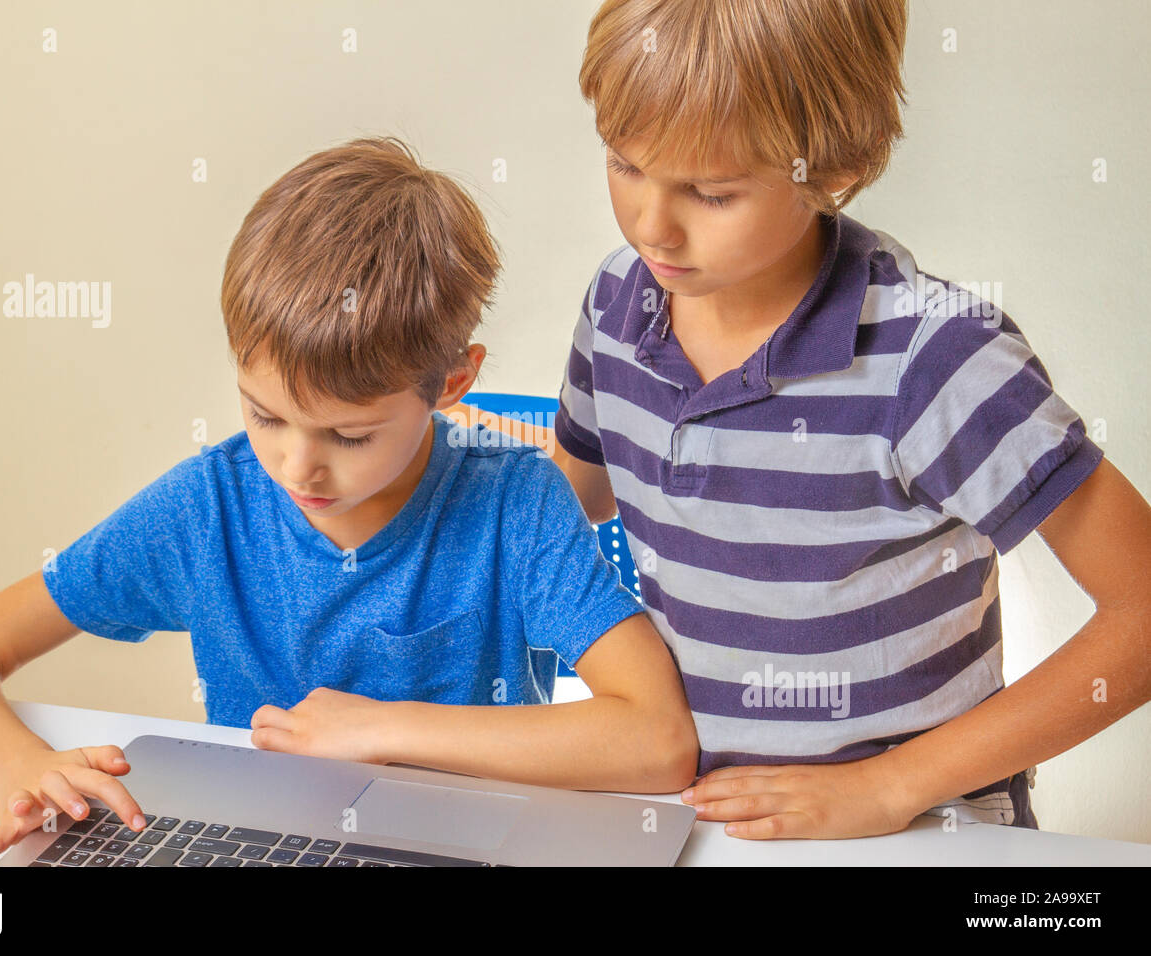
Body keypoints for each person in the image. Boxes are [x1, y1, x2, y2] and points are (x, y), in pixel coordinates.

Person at [451, 0, 1151, 840]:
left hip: (919, 823)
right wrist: (434, 456)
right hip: (700, 815)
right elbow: (582, 495)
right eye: (625, 164)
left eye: (711, 193)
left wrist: (892, 786)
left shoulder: (936, 359)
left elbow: (1140, 609)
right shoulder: (617, 302)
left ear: (836, 169)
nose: (651, 226)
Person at [0, 136, 699, 867]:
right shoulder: (207, 508)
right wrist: (22, 767)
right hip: (253, 842)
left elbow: (657, 738)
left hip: (457, 841)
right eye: (263, 415)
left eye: (348, 437)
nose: (297, 466)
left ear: (453, 384)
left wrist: (383, 730)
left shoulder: (514, 505)